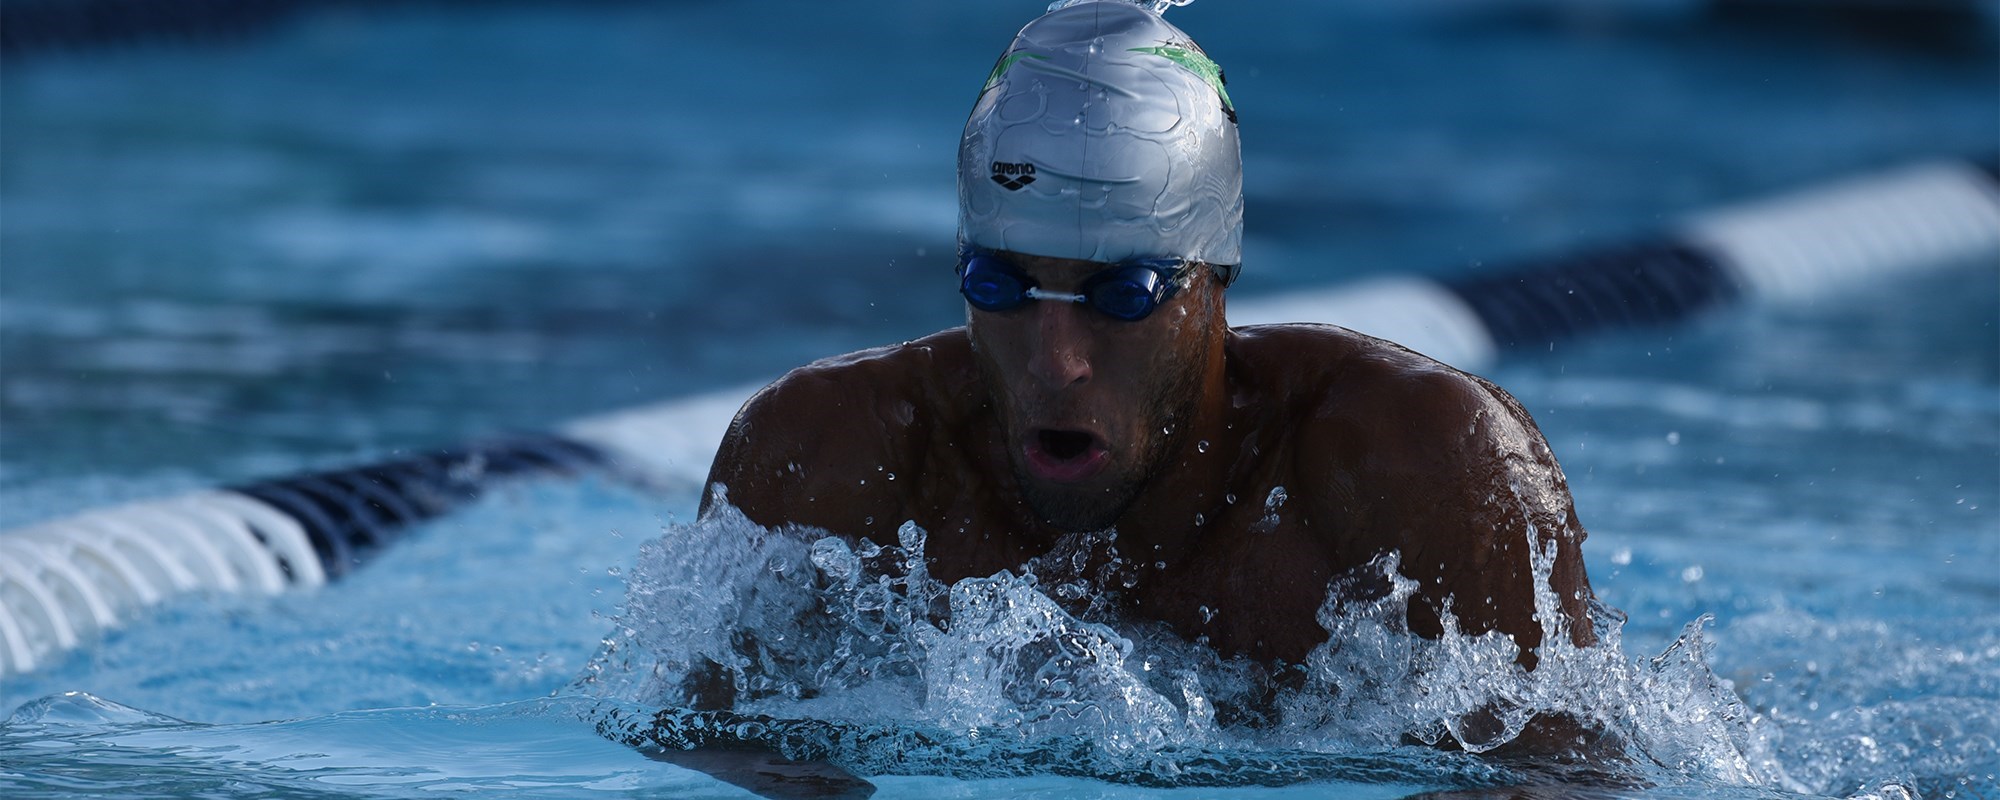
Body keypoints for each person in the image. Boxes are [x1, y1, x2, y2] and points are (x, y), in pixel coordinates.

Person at [700, 0, 1598, 753]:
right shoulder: (831, 460)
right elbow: (706, 751)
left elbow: (1572, 775)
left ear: (1215, 277)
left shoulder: (1415, 462)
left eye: (1121, 295)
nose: (1055, 362)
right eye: (1000, 286)